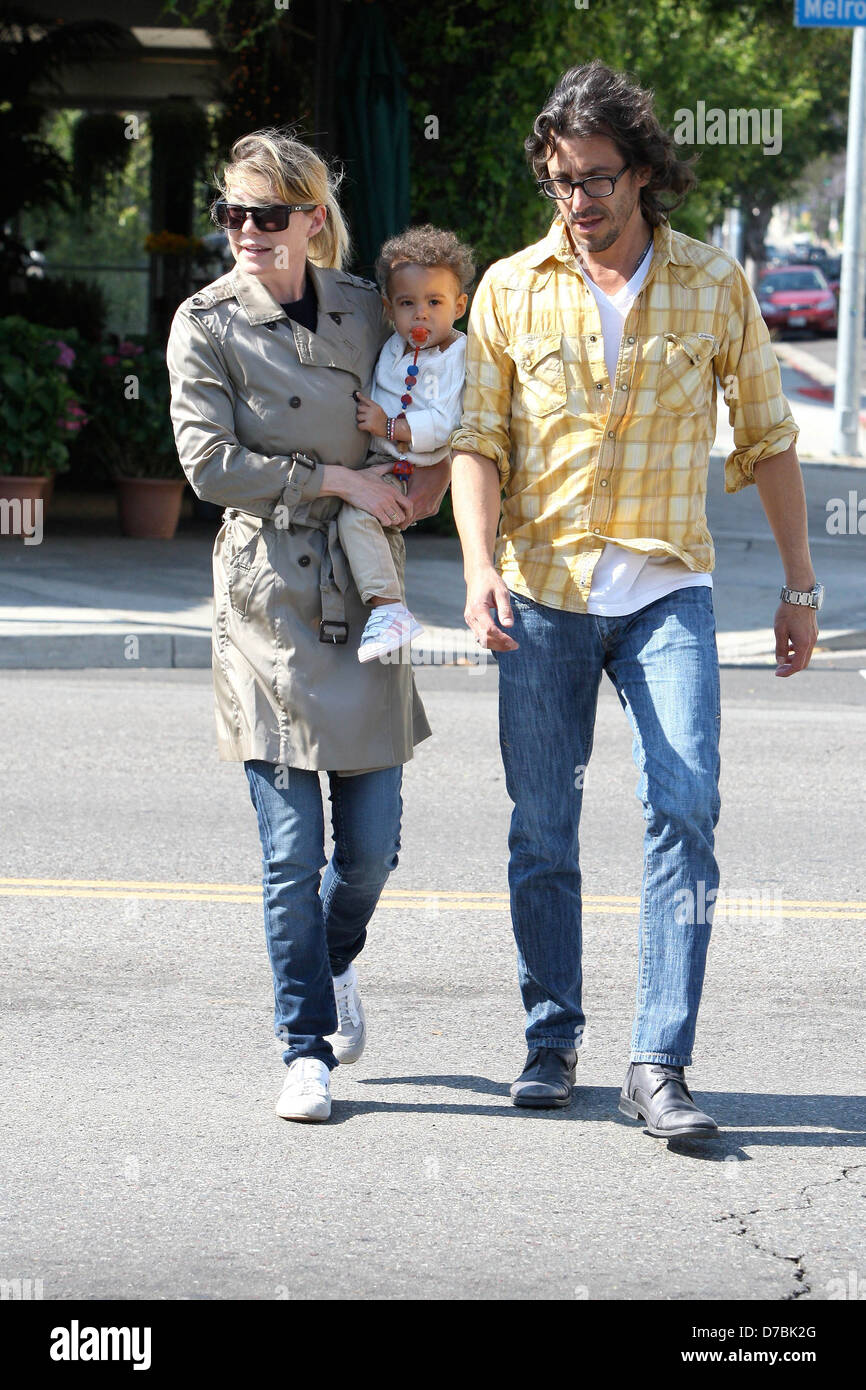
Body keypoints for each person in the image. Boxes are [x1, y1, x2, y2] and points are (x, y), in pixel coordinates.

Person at [450, 61, 821, 1140]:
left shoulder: (713, 284)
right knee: (541, 826)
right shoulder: (510, 288)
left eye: (599, 177)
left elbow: (767, 439)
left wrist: (799, 584)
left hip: (668, 591)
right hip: (541, 589)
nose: (580, 200)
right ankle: (549, 1032)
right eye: (562, 179)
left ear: (644, 170)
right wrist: (476, 568)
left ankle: (657, 1058)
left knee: (684, 802)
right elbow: (477, 442)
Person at [167, 128, 449, 1123]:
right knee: (290, 852)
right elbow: (206, 464)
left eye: (267, 213)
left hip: (364, 594)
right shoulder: (204, 323)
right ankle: (304, 1045)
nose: (246, 230)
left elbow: (445, 398)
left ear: (311, 219)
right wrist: (330, 477)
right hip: (265, 604)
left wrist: (418, 488)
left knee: (368, 852)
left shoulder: (371, 310)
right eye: (231, 212)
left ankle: (330, 969)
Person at [344, 225, 473, 662]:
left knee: (357, 517)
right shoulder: (395, 347)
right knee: (357, 521)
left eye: (434, 303)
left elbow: (446, 423)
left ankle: (389, 608)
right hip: (382, 458)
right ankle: (383, 609)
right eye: (407, 304)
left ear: (458, 306)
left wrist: (388, 425)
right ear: (389, 309)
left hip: (410, 465)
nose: (421, 316)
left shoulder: (458, 354)